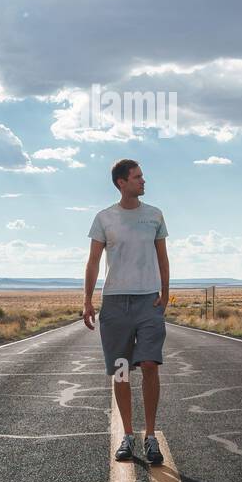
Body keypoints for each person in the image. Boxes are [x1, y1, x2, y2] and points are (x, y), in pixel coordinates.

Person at [83, 159, 169, 465]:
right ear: (122, 182)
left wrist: (166, 294)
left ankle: (150, 436)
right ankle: (128, 435)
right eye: (137, 177)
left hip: (148, 302)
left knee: (149, 364)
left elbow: (163, 258)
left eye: (142, 176)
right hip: (116, 303)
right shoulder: (105, 218)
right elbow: (93, 262)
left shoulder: (154, 215)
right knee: (121, 369)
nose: (143, 181)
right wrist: (87, 300)